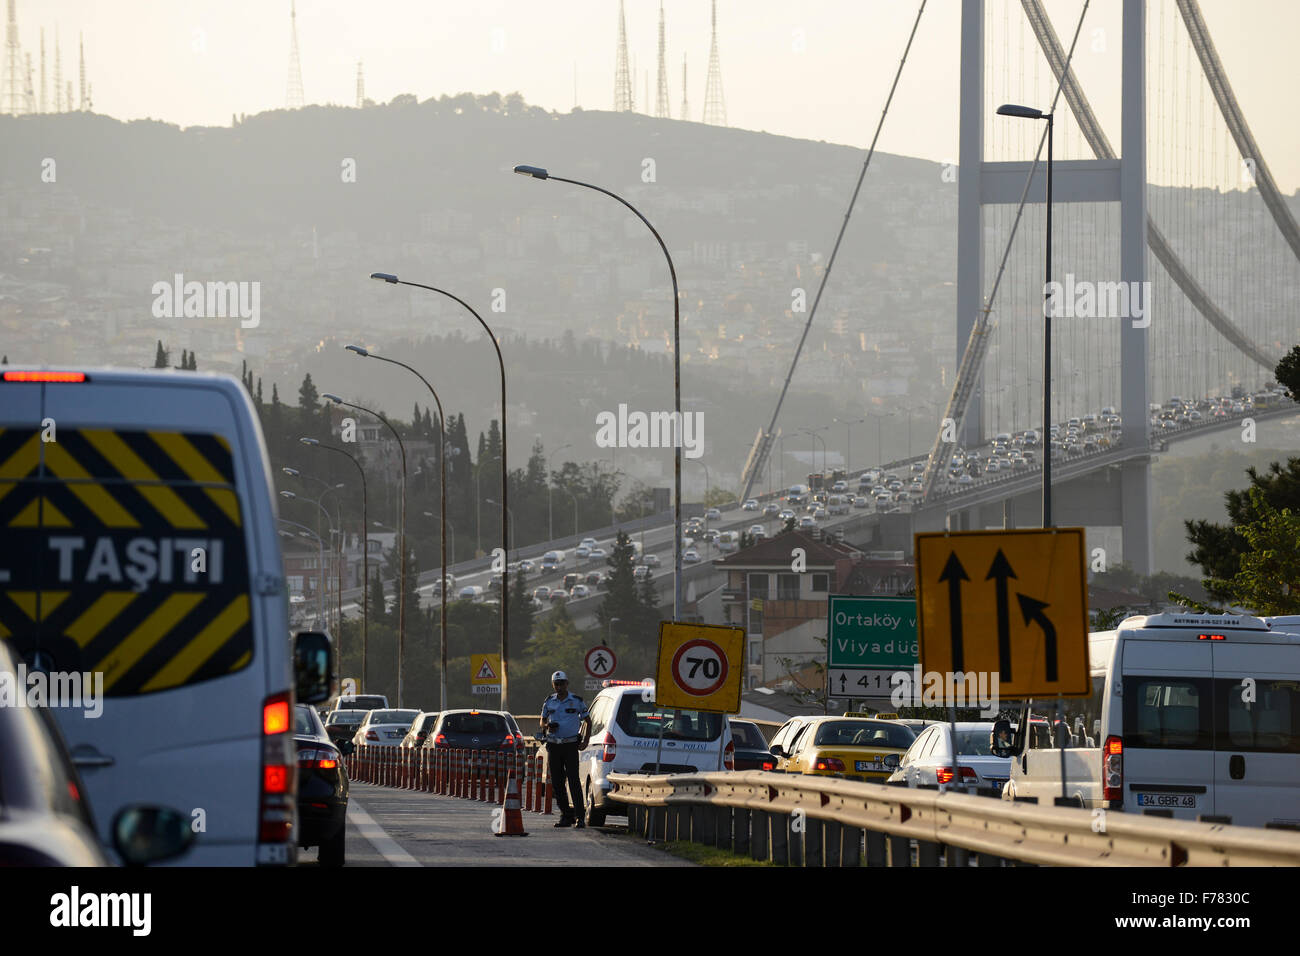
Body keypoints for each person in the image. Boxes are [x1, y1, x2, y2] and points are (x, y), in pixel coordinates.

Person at [539, 671, 589, 828]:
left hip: (570, 745)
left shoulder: (576, 701)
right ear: (553, 685)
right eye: (556, 684)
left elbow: (588, 720)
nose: (559, 687)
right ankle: (566, 815)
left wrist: (585, 740)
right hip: (554, 745)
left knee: (573, 781)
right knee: (557, 782)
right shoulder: (549, 701)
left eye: (562, 683)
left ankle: (580, 817)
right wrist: (547, 726)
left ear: (567, 683)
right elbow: (542, 720)